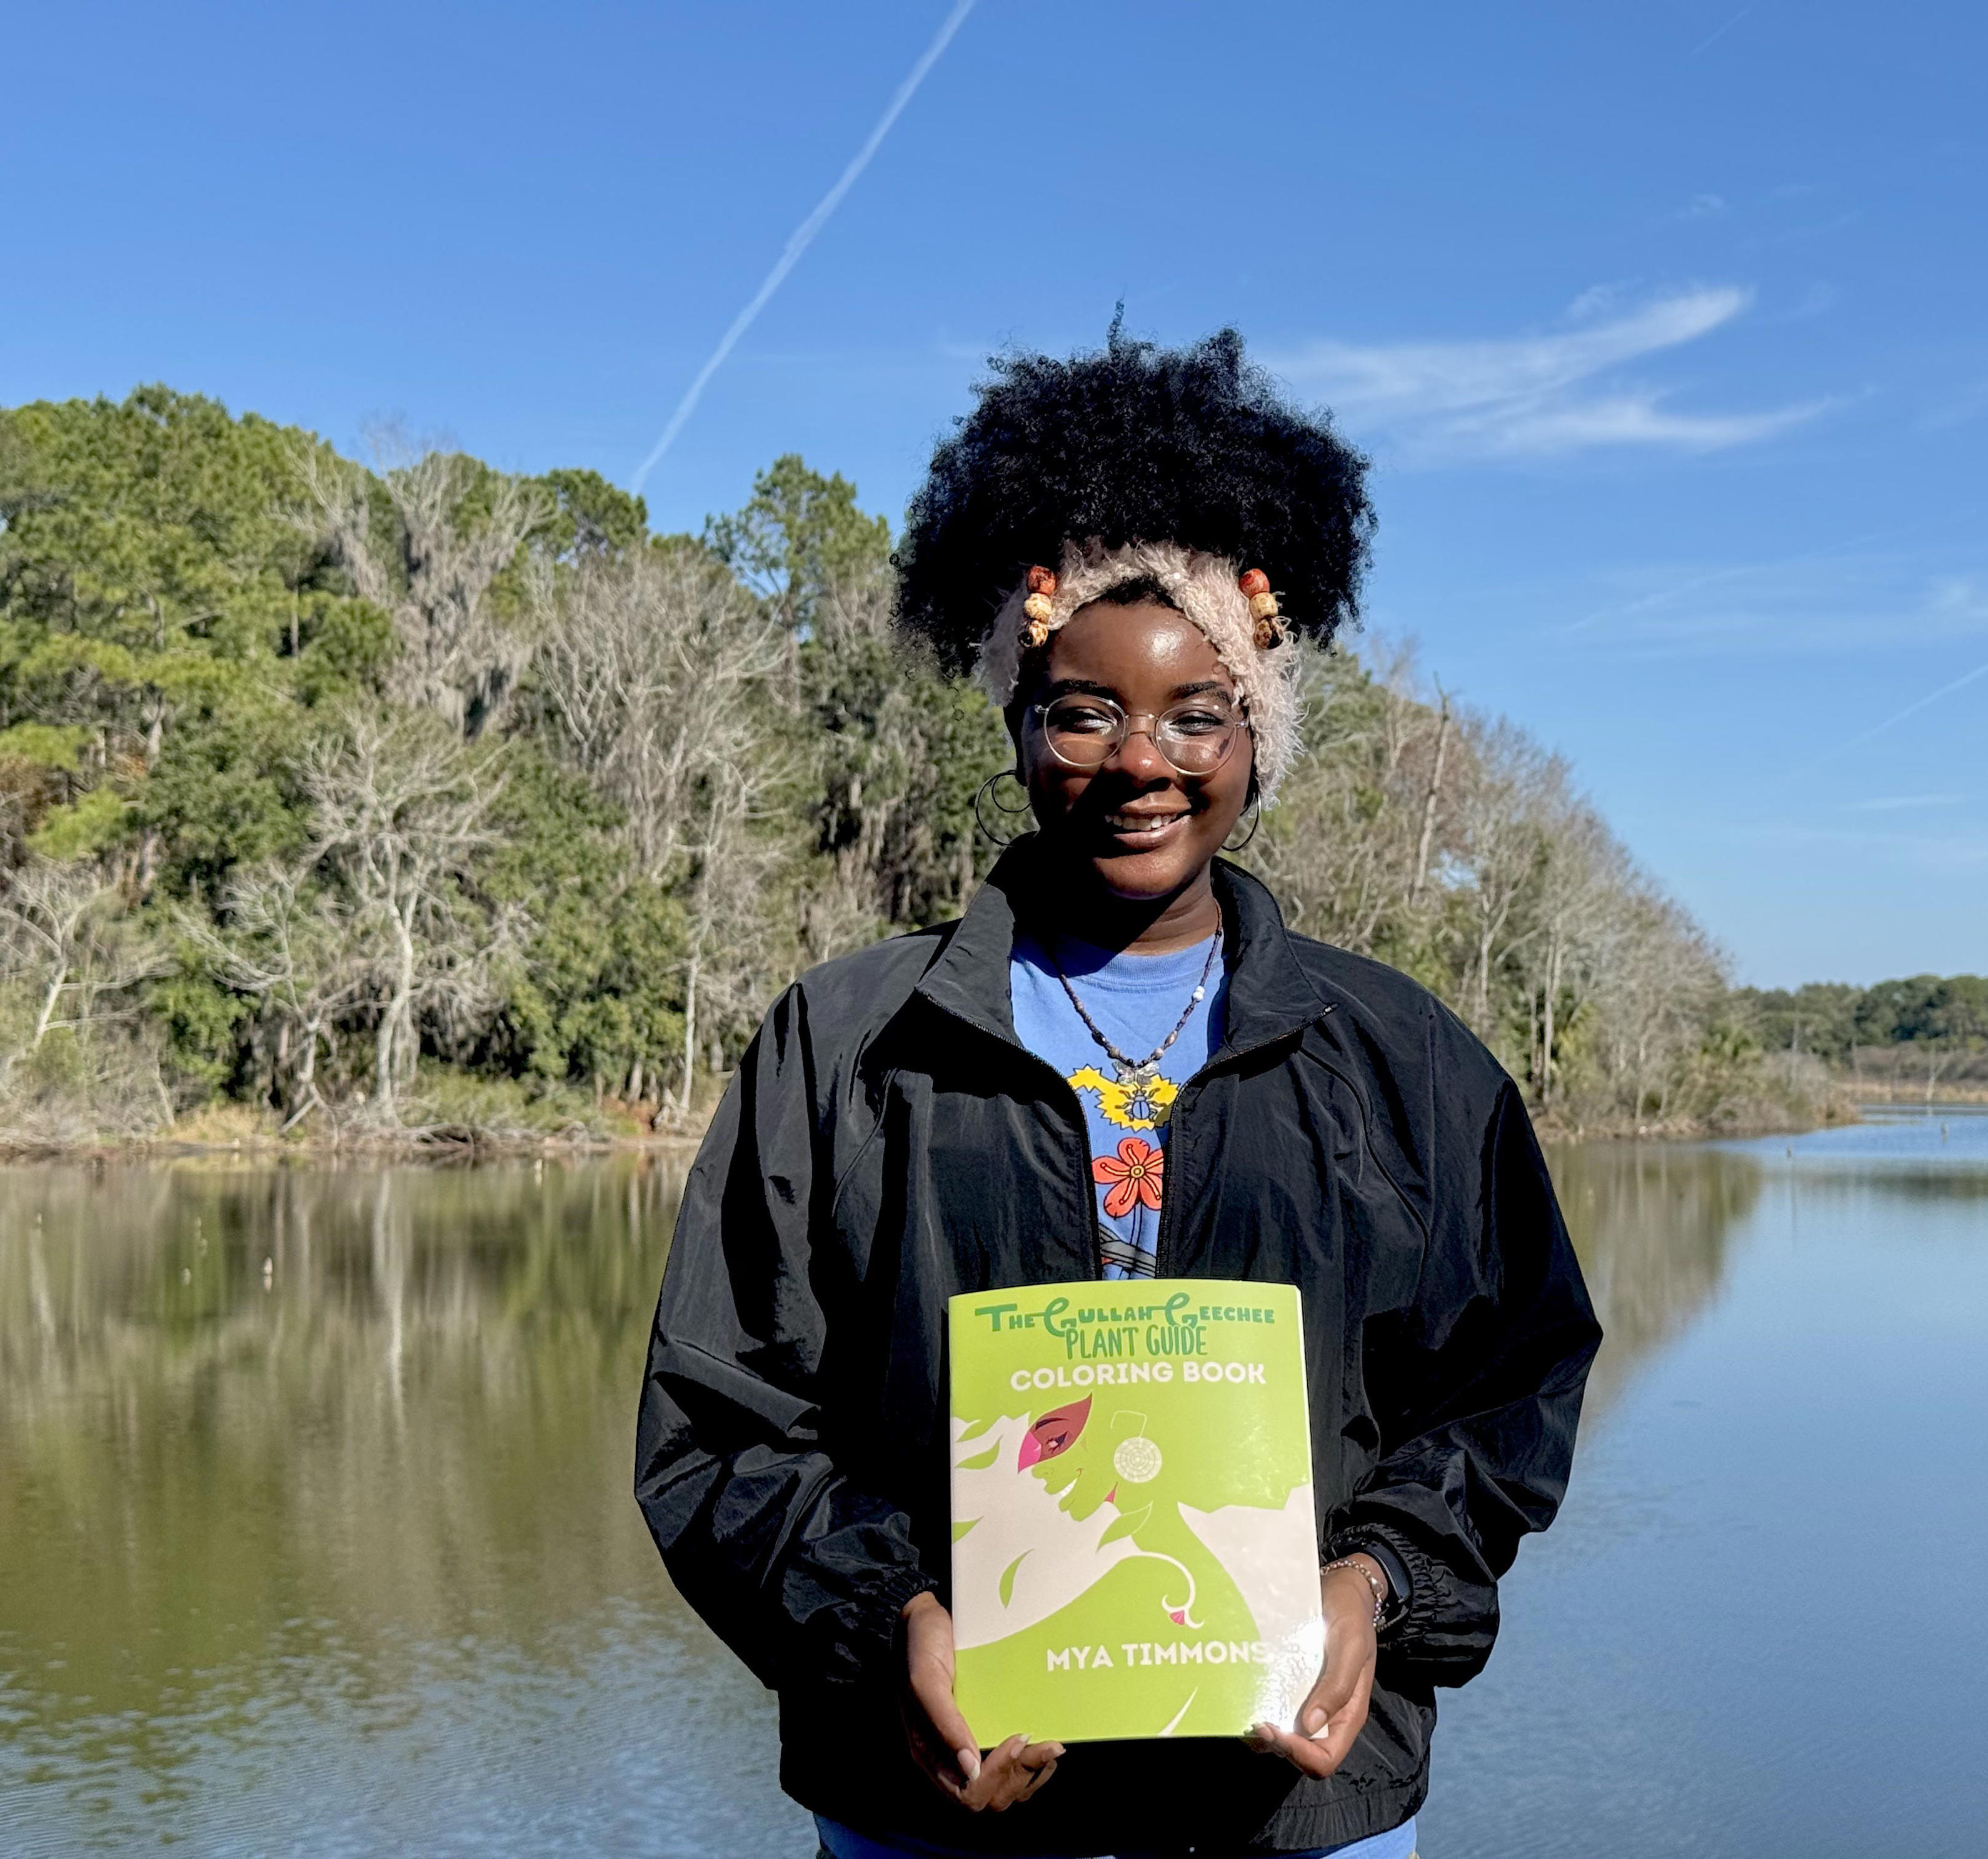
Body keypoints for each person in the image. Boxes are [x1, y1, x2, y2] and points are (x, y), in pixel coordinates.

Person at [635, 327, 1600, 1858]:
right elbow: (719, 1414)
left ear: (1255, 730)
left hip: (1297, 1811)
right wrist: (887, 1629)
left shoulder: (1407, 1059)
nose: (1139, 759)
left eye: (1194, 712)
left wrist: (1378, 1586)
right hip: (935, 1814)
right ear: (1021, 720)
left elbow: (1511, 1380)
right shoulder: (847, 1043)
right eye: (1083, 709)